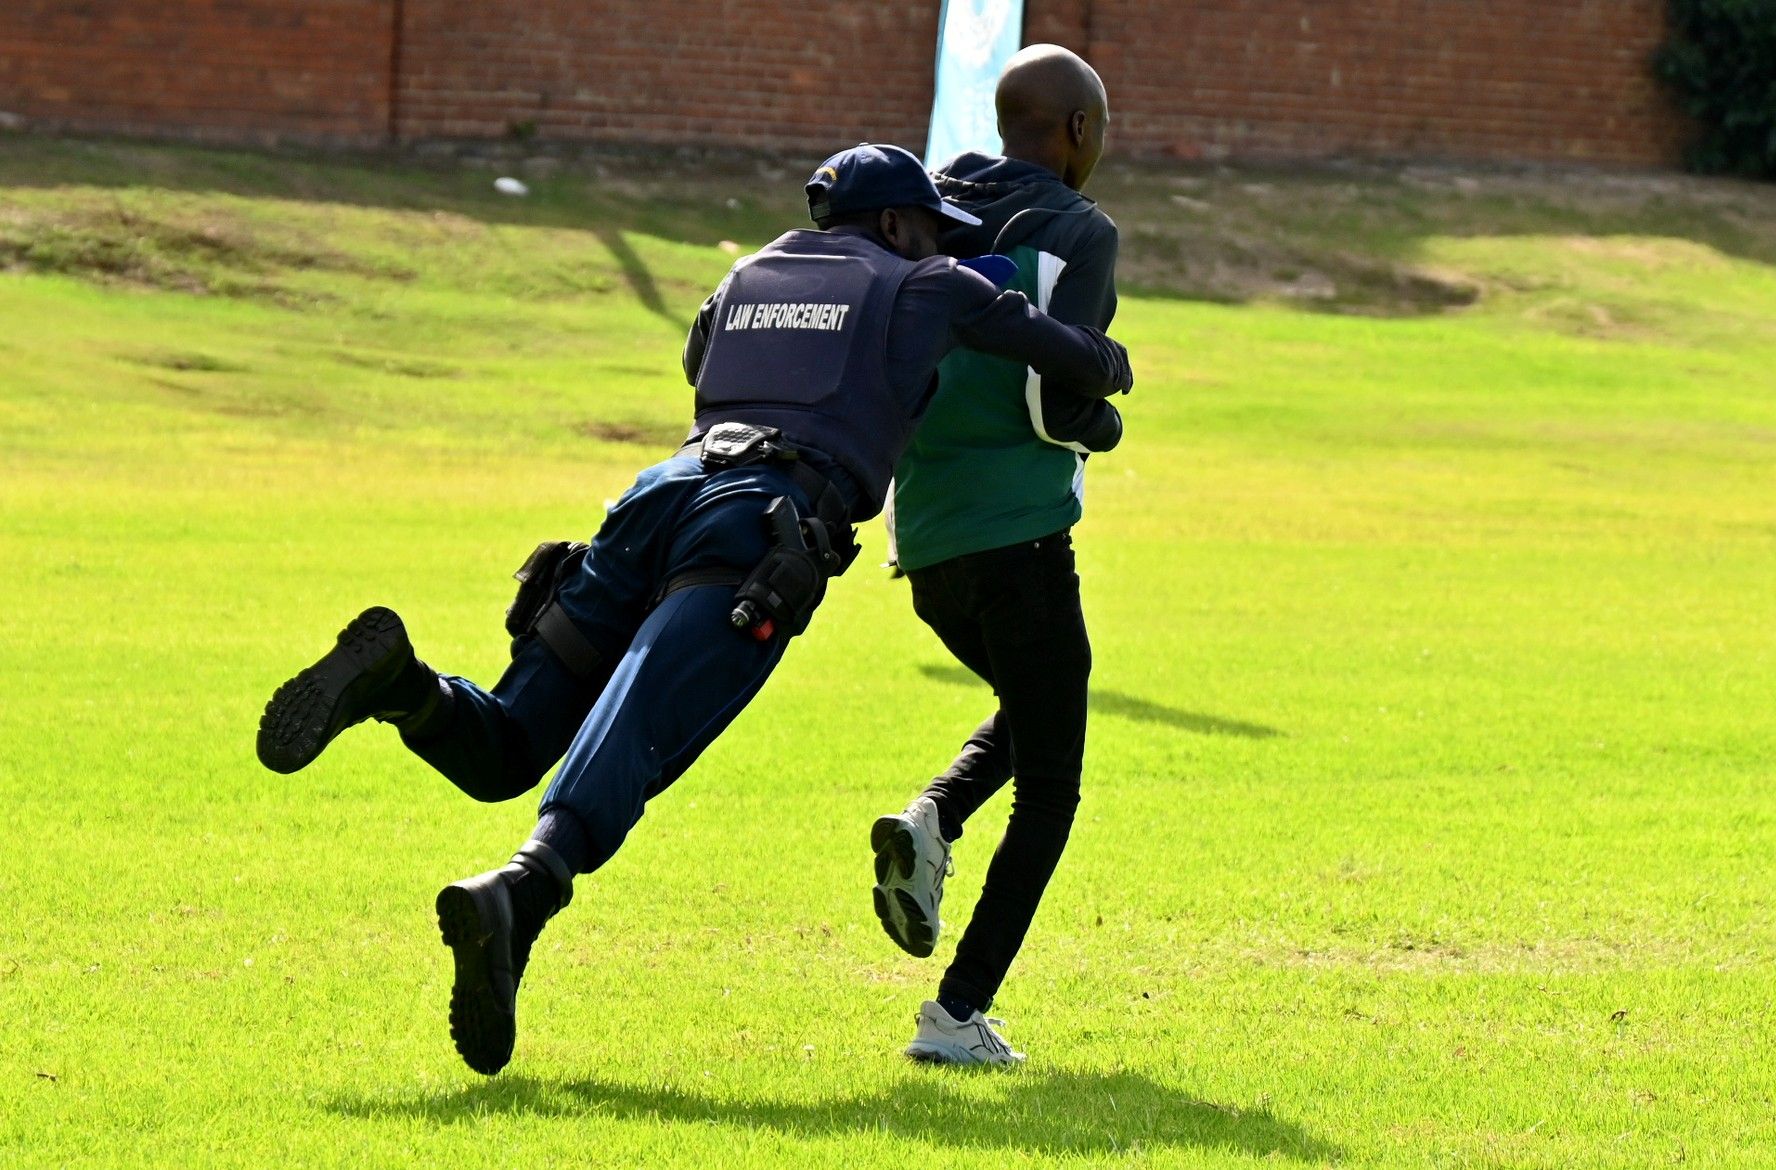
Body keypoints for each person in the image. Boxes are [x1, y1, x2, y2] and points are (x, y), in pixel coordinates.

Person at [253, 142, 1132, 1077]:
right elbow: (1079, 358)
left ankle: (402, 685)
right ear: (888, 224)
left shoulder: (746, 273)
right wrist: (1096, 364)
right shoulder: (925, 285)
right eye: (928, 235)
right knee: (640, 722)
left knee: (508, 749)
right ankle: (519, 892)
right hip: (759, 527)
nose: (937, 250)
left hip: (653, 498)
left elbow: (698, 357)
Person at [869, 44, 1125, 1066]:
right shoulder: (1078, 230)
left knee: (1037, 701)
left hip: (925, 543)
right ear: (1074, 133)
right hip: (1018, 535)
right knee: (1052, 778)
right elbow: (1057, 394)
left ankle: (930, 820)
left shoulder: (923, 210)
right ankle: (955, 1015)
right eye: (1096, 129)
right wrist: (1103, 431)